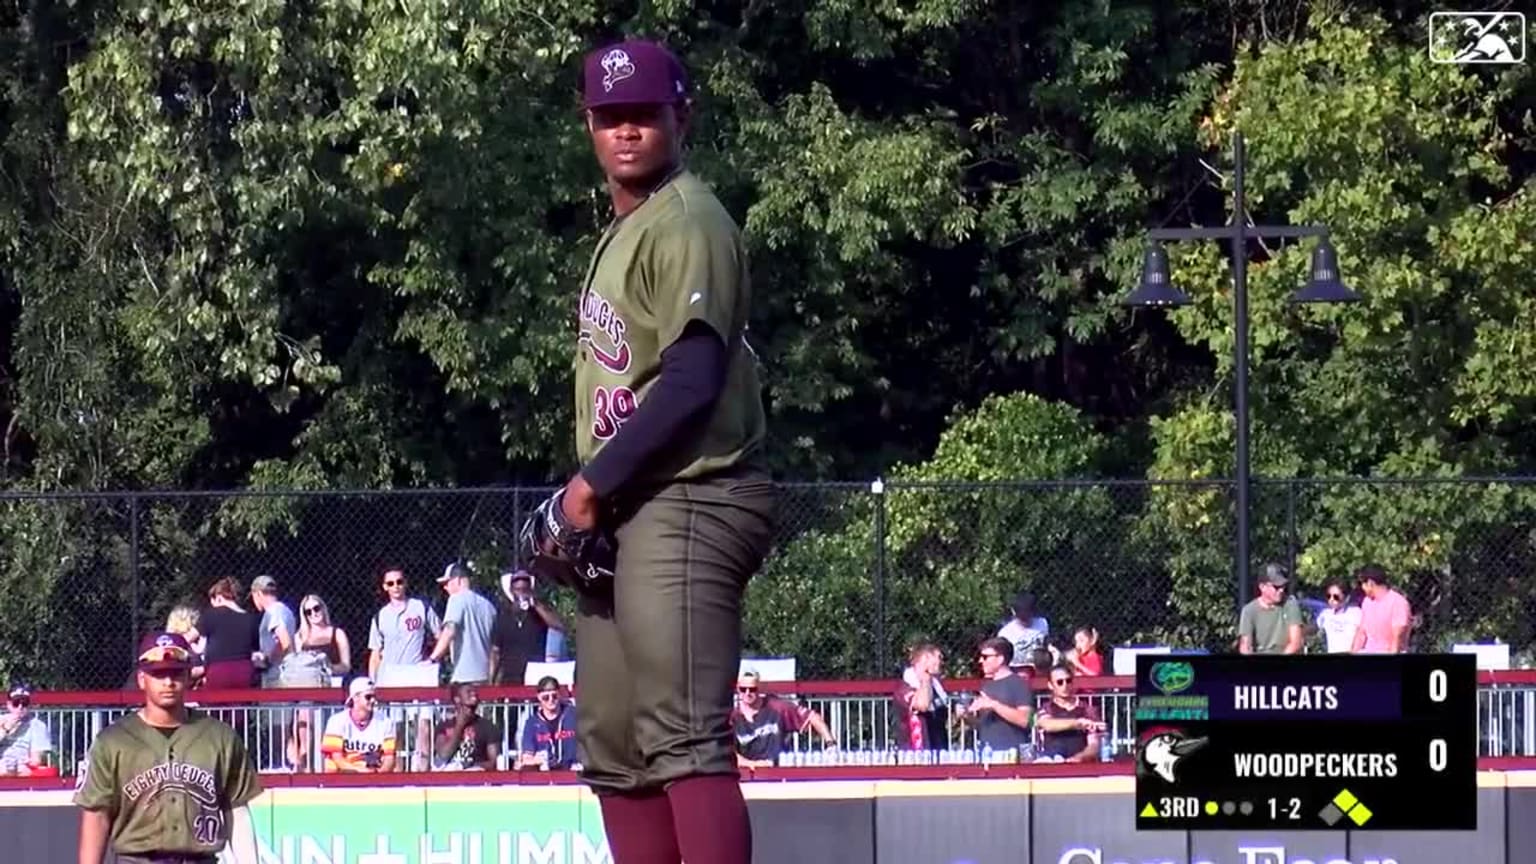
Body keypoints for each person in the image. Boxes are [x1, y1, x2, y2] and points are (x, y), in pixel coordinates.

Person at [524, 37, 777, 864]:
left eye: (644, 114)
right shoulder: (625, 230)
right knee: (614, 742)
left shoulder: (690, 219)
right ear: (588, 124)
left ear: (682, 116)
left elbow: (694, 377)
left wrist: (588, 489)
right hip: (629, 506)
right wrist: (596, 499)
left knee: (681, 735)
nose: (626, 131)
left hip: (693, 493)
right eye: (610, 116)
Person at [74, 632, 262, 864]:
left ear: (188, 676)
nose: (168, 682)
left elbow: (237, 811)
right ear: (142, 679)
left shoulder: (220, 737)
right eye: (158, 674)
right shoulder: (112, 741)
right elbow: (96, 816)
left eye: (176, 672)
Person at [1237, 563, 1304, 655]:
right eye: (1276, 587)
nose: (1281, 590)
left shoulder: (1290, 605)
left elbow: (1296, 643)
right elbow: (1245, 646)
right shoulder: (1249, 611)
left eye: (1283, 586)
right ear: (1262, 587)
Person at [434, 683, 501, 771]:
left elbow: (493, 763)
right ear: (457, 699)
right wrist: (460, 725)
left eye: (475, 692)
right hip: (449, 774)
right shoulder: (444, 725)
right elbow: (444, 755)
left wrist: (470, 766)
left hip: (476, 776)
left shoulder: (487, 726)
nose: (474, 694)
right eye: (469, 692)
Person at [517, 676, 578, 771]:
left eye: (554, 696)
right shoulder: (532, 723)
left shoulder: (574, 715)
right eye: (546, 697)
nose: (551, 700)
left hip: (573, 768)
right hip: (545, 771)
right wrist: (540, 759)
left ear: (560, 694)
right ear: (539, 698)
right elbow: (526, 757)